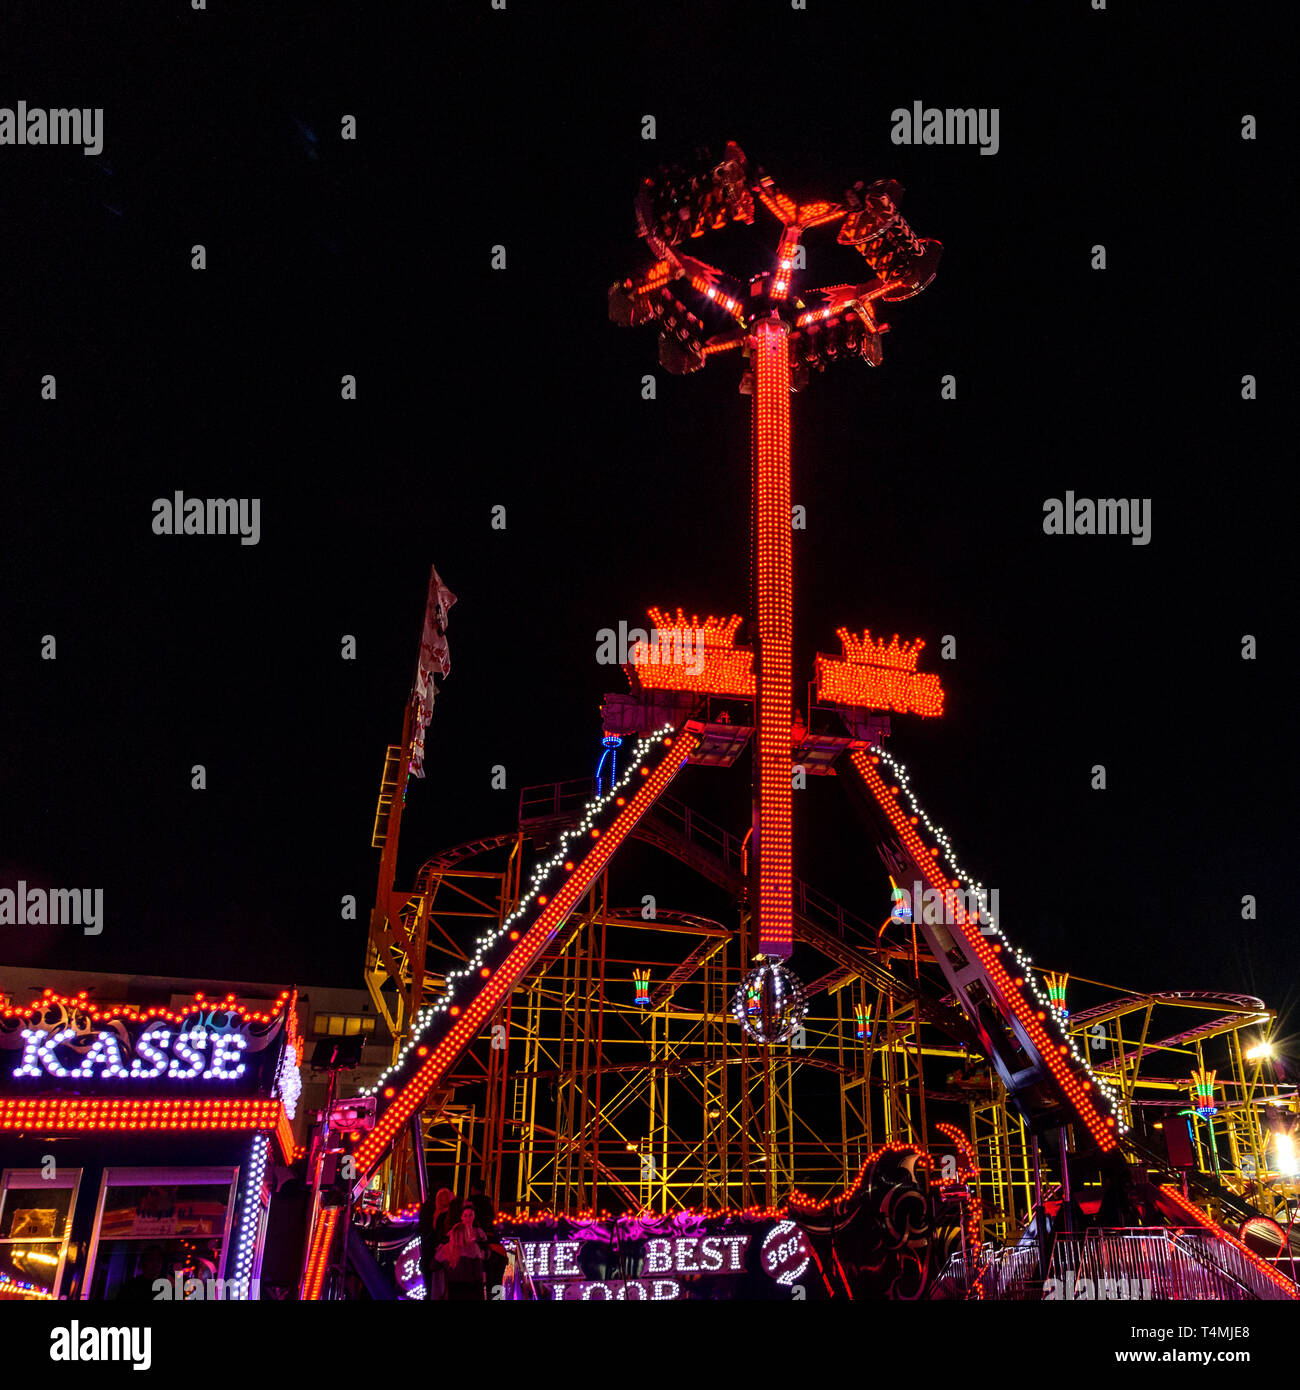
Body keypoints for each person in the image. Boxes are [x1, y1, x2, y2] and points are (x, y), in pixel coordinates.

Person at [439, 1203, 489, 1301]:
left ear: (474, 1216)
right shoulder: (454, 1231)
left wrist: (480, 1255)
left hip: (474, 1271)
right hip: (456, 1272)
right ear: (461, 1217)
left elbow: (486, 1251)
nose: (468, 1218)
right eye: (465, 1215)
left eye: (470, 1215)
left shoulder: (479, 1232)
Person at [418, 1188, 453, 1300]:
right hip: (434, 1248)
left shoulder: (446, 1213)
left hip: (440, 1248)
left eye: (444, 1198)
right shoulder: (436, 1212)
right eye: (440, 1198)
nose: (442, 1200)